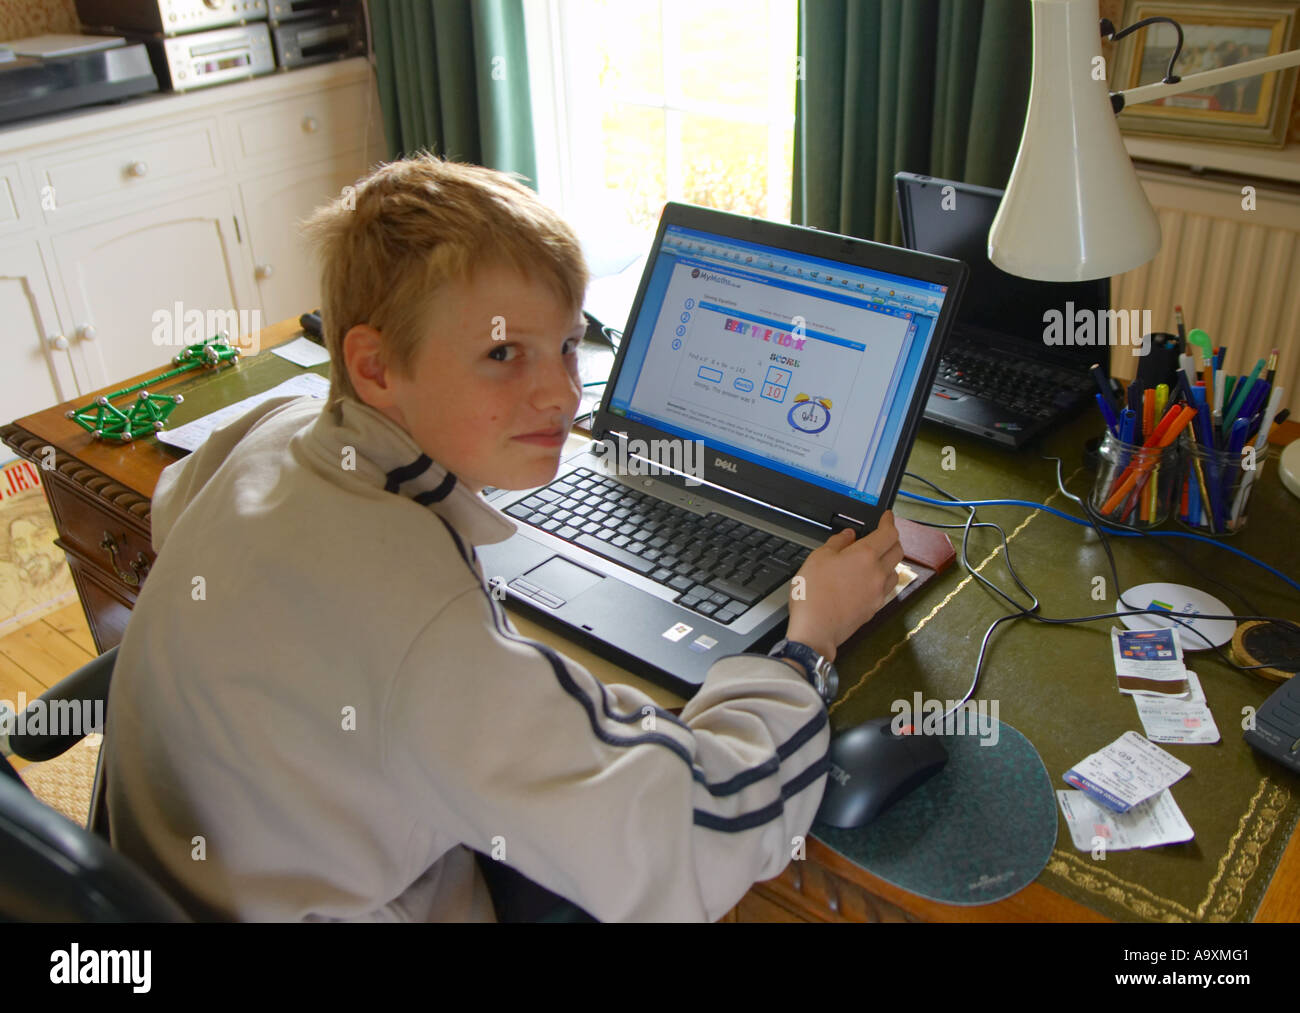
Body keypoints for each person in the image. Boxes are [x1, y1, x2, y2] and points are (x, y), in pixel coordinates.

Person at [104, 153, 903, 922]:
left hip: (169, 873)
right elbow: (691, 838)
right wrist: (807, 644)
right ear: (376, 366)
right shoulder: (422, 634)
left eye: (566, 345)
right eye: (501, 354)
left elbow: (172, 506)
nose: (562, 393)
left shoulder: (272, 427)